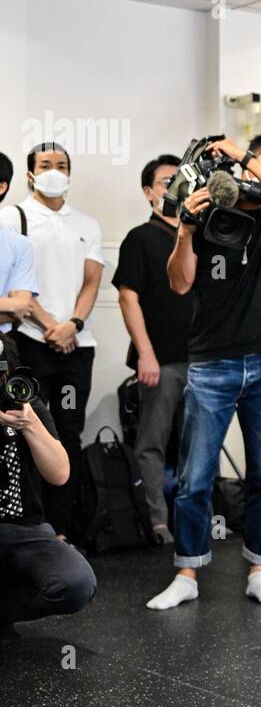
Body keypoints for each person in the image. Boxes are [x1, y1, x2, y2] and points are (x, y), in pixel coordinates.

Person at [146, 133, 261, 610]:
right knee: (195, 476)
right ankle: (188, 572)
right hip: (211, 362)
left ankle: (260, 569)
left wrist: (243, 154)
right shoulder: (209, 216)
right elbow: (180, 283)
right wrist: (187, 229)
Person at [0, 144, 104, 542]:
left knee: (68, 433)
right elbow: (15, 281)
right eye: (45, 165)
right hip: (30, 342)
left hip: (77, 345)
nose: (54, 172)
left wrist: (73, 324)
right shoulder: (15, 218)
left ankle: (61, 530)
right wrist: (50, 327)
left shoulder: (87, 223)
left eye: (61, 166)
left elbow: (92, 280)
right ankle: (32, 526)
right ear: (30, 174)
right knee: (28, 430)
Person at [113, 155, 192, 545]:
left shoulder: (197, 235)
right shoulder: (140, 238)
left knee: (197, 445)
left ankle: (194, 519)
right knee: (152, 444)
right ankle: (157, 523)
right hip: (161, 361)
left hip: (202, 360)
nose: (175, 187)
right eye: (166, 182)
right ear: (149, 193)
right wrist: (146, 354)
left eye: (181, 179)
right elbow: (129, 298)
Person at [0, 332, 96, 634]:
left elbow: (59, 474)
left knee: (75, 583)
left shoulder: (23, 403)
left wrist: (30, 425)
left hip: (20, 526)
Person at [0, 151, 36, 338]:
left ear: (2, 187)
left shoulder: (20, 244)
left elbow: (22, 308)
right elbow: (16, 306)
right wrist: (9, 304)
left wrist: (15, 306)